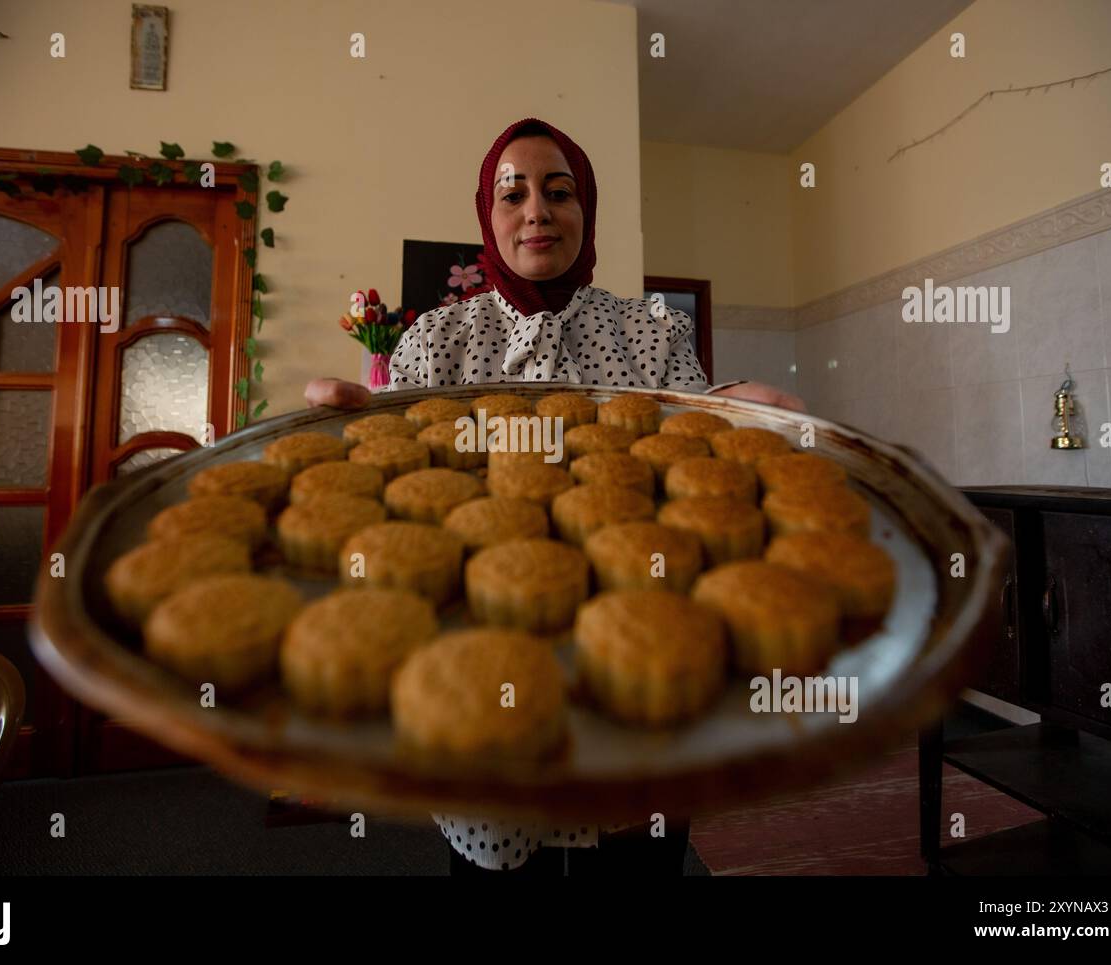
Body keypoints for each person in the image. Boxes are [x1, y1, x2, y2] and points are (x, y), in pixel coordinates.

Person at [304, 117, 806, 874]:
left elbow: (695, 462)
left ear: (586, 208)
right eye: (513, 195)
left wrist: (728, 424)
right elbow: (398, 493)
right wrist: (347, 450)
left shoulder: (652, 334)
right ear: (488, 215)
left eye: (559, 191)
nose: (536, 210)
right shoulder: (435, 341)